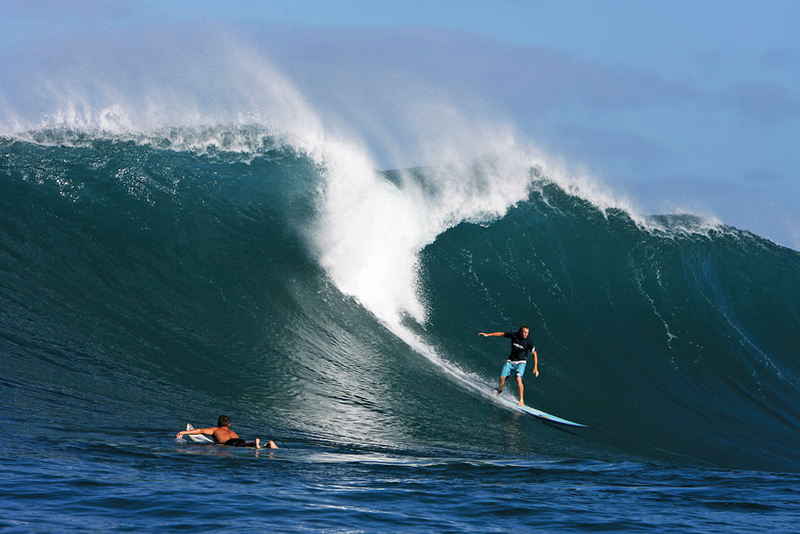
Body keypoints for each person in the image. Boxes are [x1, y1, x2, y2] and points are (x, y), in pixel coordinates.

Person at [479, 325, 539, 406]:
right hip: (511, 360)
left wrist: (535, 367)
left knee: (518, 379)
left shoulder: (529, 341)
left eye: (527, 333)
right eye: (524, 332)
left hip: (521, 362)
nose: (526, 334)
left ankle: (521, 400)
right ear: (520, 332)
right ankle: (499, 392)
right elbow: (501, 334)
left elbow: (534, 354)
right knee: (502, 378)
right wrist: (488, 334)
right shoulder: (513, 335)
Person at [175, 415, 278, 449]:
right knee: (245, 445)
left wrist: (183, 432)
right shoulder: (232, 431)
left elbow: (200, 431)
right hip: (239, 440)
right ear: (229, 425)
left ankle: (256, 444)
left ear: (218, 423)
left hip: (229, 444)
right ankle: (267, 445)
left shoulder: (215, 429)